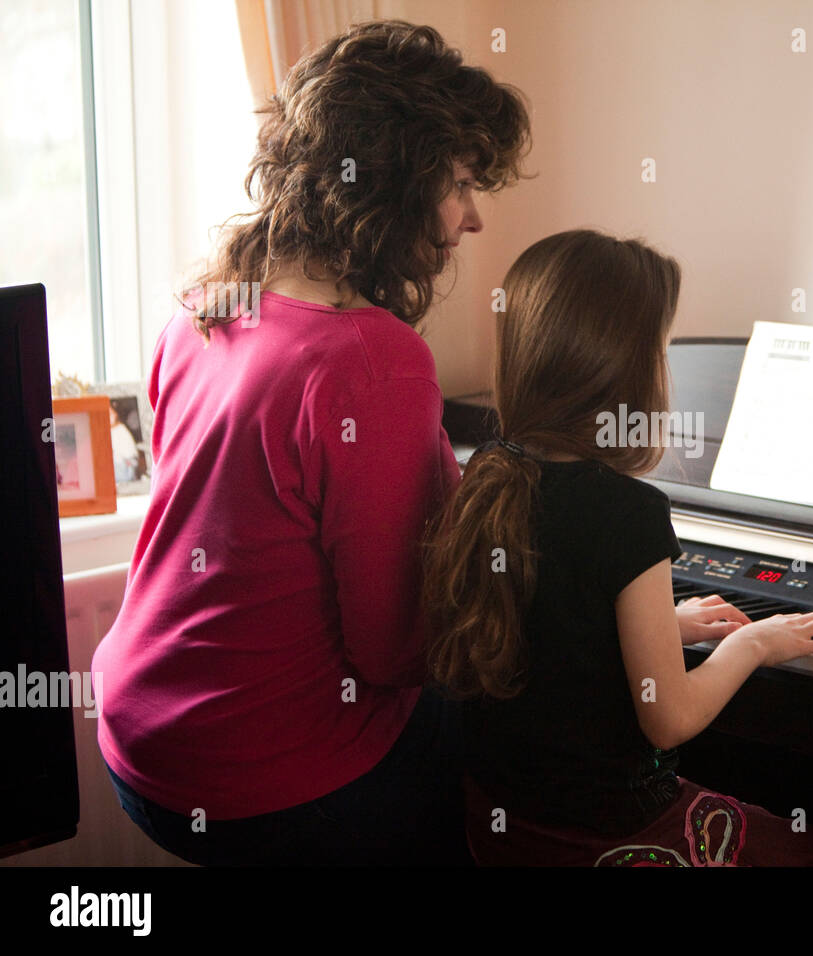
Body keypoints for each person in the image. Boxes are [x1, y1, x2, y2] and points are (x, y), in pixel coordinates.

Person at [91, 20, 531, 865]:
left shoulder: (206, 310)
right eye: (463, 184)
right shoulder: (371, 360)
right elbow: (396, 649)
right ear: (399, 181)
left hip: (140, 738)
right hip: (258, 776)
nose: (472, 220)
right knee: (496, 730)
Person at [422, 230, 813, 866]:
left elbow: (554, 625)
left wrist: (665, 627)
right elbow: (670, 719)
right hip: (617, 839)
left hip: (507, 832)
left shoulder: (491, 476)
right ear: (627, 375)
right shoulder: (628, 513)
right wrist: (754, 643)